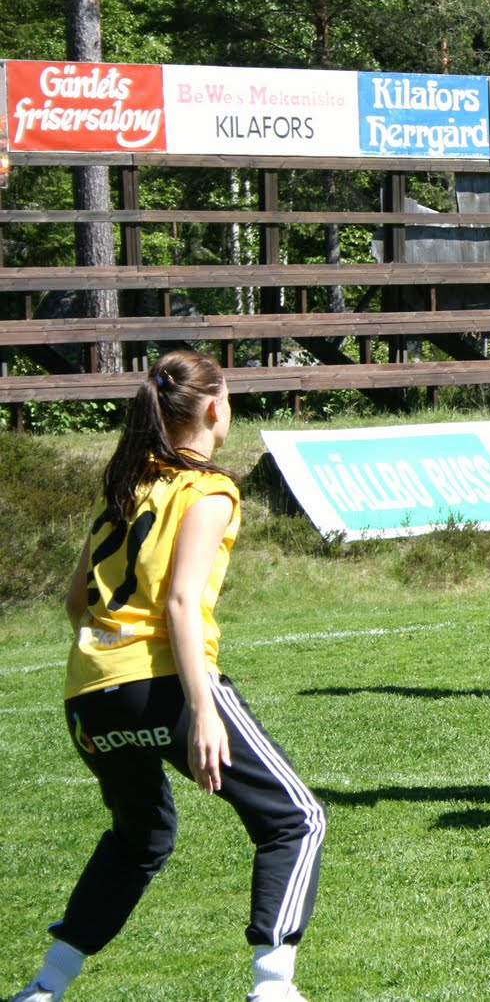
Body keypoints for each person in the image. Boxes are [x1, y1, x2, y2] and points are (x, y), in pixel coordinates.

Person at [8, 351, 324, 1002]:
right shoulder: (207, 489)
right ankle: (272, 987)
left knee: (140, 835)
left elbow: (76, 601)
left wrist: (103, 664)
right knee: (297, 817)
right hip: (165, 685)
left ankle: (46, 986)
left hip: (90, 694)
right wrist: (205, 711)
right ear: (214, 408)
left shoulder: (124, 491)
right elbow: (181, 601)